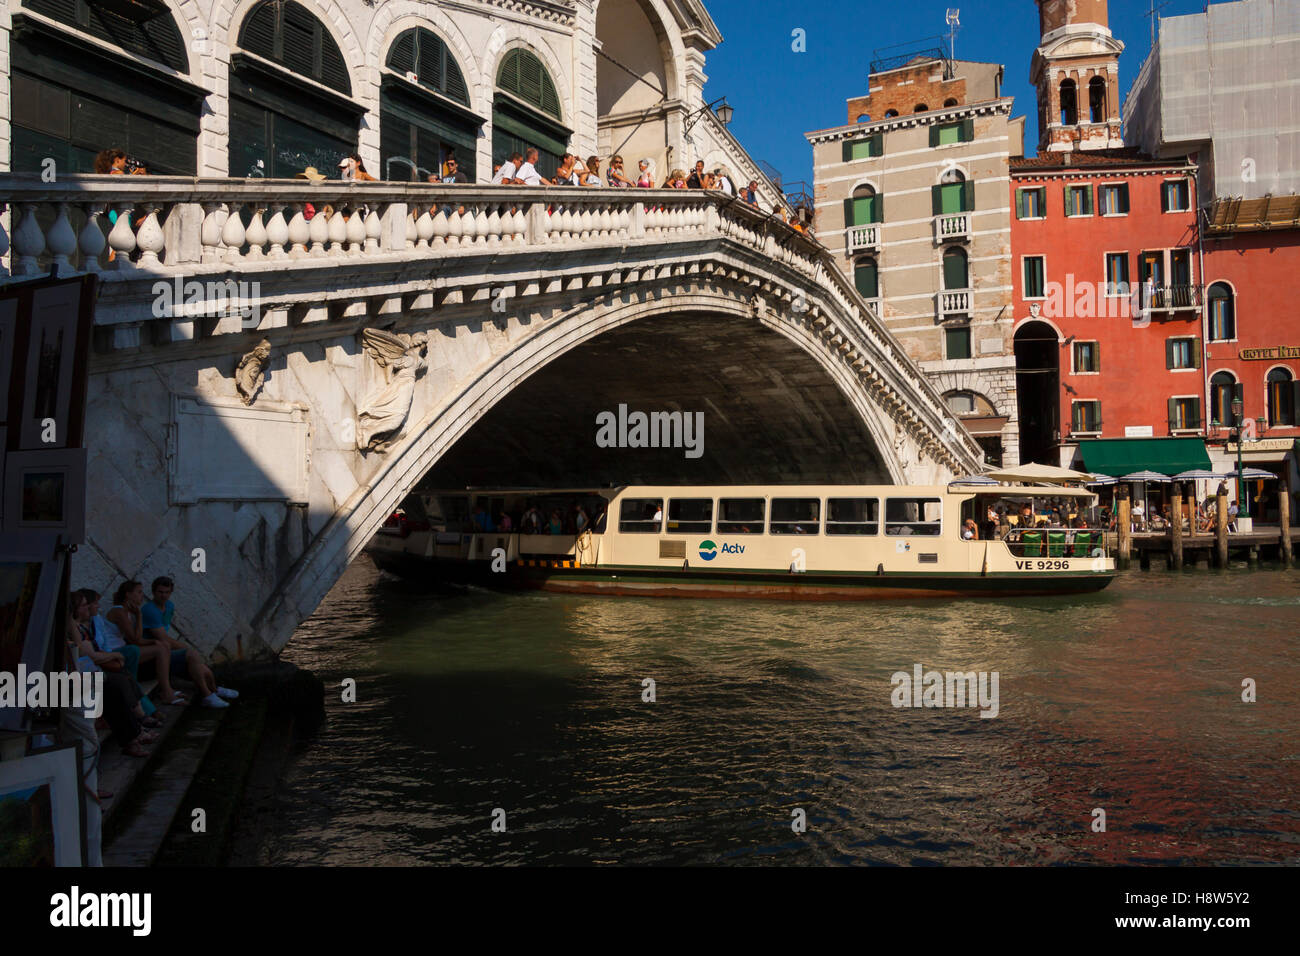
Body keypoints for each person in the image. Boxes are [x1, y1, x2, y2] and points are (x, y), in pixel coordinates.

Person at [139, 577, 238, 710]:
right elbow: (163, 638)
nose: (163, 595)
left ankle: (214, 690)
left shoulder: (169, 606)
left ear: (171, 592)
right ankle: (207, 695)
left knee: (204, 669)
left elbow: (166, 631)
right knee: (191, 655)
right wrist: (186, 648)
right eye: (160, 592)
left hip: (165, 652)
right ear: (153, 592)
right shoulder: (149, 610)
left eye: (167, 592)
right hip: (153, 658)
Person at [105, 582, 187, 706]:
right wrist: (139, 616)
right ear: (128, 595)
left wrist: (155, 641)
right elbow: (135, 639)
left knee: (163, 646)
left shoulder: (128, 612)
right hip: (116, 653)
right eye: (139, 592)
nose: (142, 595)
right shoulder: (119, 611)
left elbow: (137, 639)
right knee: (160, 649)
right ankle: (166, 692)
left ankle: (168, 689)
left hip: (124, 648)